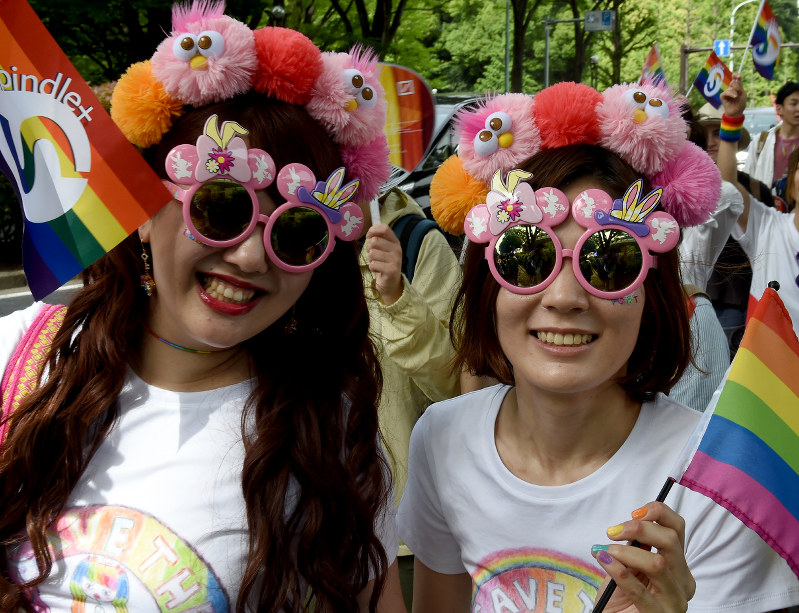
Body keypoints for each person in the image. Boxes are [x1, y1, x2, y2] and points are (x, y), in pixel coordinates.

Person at [0, 6, 405, 612]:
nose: (247, 257)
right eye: (221, 208)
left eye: (295, 233)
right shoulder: (20, 356)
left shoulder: (330, 437)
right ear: (145, 212)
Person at [397, 80, 799, 611]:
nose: (564, 298)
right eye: (527, 258)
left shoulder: (714, 476)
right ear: (486, 284)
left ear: (653, 292)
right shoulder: (442, 440)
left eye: (609, 263)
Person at [358, 187, 461, 609]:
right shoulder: (288, 243)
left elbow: (457, 384)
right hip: (308, 520)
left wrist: (397, 296)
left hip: (404, 534)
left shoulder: (417, 243)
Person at [720, 74, 799, 339]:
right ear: (791, 185)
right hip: (764, 373)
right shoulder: (767, 228)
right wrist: (731, 119)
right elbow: (728, 186)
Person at [744, 81, 799, 193]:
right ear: (779, 109)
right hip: (767, 207)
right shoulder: (762, 141)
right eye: (793, 104)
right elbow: (748, 178)